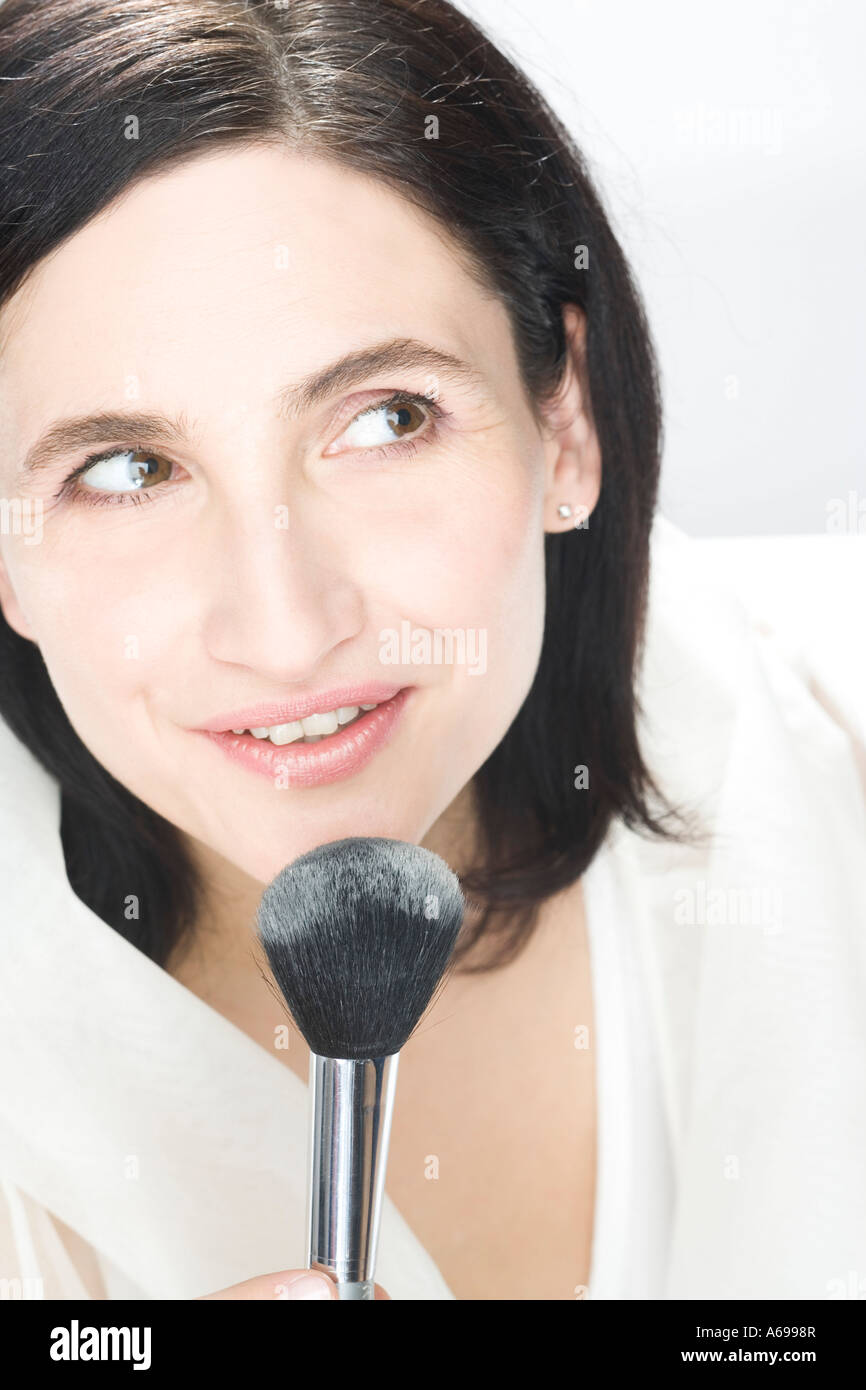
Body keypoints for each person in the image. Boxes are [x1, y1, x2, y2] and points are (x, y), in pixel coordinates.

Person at [0, 0, 864, 1301]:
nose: (285, 628)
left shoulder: (826, 762)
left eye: (387, 417)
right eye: (126, 469)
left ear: (560, 422)